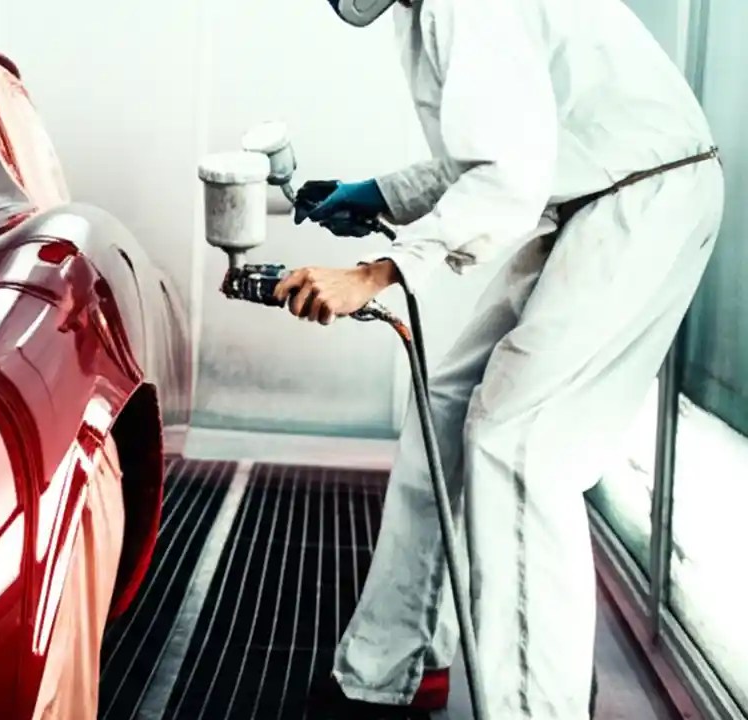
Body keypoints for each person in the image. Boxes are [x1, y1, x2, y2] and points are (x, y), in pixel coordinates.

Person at [273, 0, 725, 718]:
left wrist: (377, 271)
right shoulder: (428, 11)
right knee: (445, 412)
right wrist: (384, 194)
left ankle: (533, 706)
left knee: (518, 446)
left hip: (637, 203)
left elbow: (510, 176)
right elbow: (501, 148)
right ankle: (396, 670)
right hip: (595, 199)